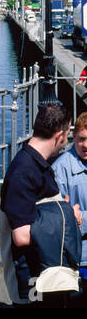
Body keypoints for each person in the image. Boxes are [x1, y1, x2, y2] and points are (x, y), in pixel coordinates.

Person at [0, 101, 82, 306]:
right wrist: (68, 218)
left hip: (45, 272)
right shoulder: (23, 173)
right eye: (67, 133)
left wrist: (59, 209)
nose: (67, 140)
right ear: (59, 135)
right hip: (32, 281)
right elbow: (21, 235)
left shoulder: (37, 163)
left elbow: (41, 211)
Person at [53, 111, 87, 274]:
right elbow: (58, 218)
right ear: (74, 137)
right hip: (78, 257)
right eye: (82, 139)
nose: (86, 145)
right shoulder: (61, 168)